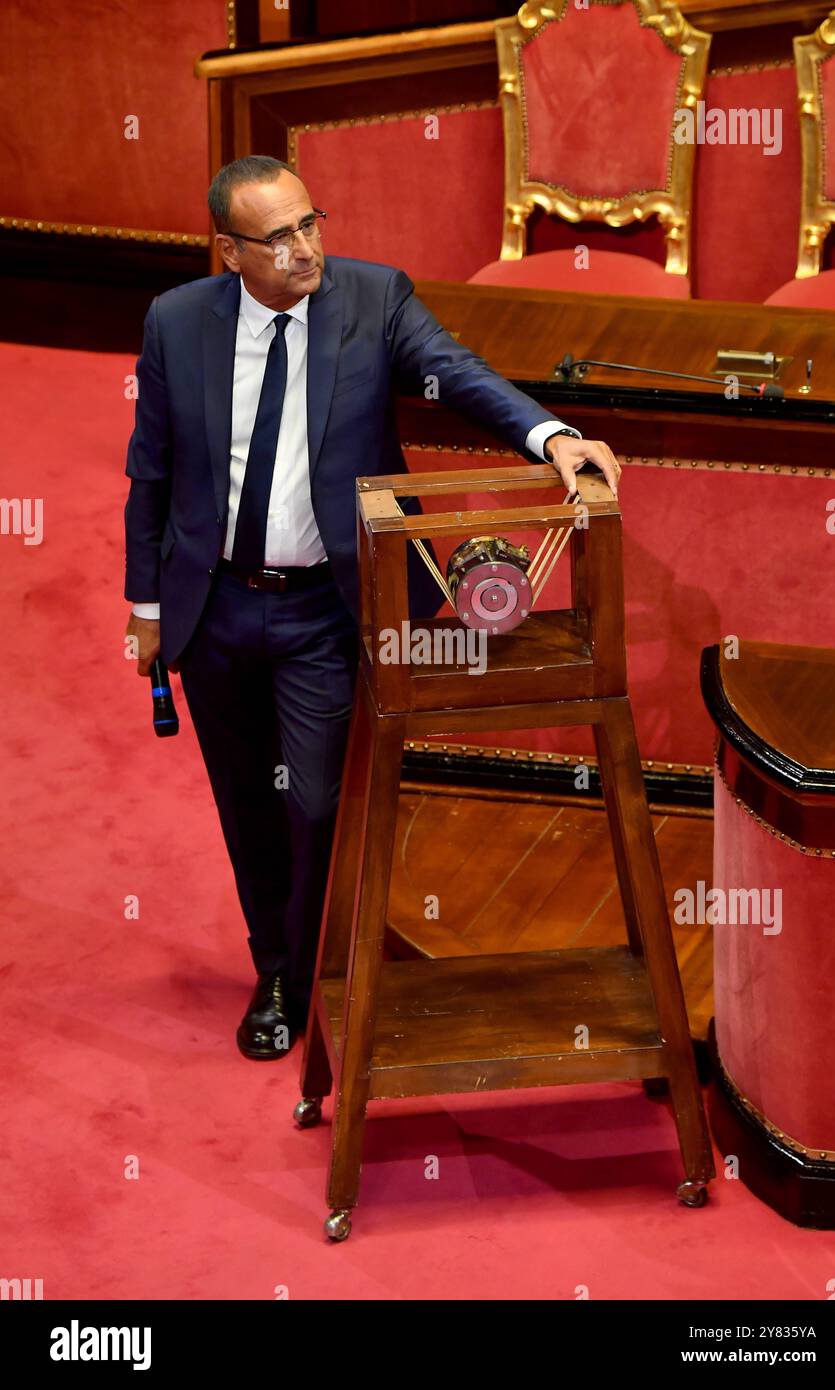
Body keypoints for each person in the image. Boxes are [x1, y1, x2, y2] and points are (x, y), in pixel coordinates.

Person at [123, 155, 621, 1060]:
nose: (305, 248)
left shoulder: (373, 297)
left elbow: (457, 372)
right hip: (215, 604)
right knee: (246, 802)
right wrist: (147, 607)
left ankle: (317, 963)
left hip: (325, 607)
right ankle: (277, 970)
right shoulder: (177, 321)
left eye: (310, 223)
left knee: (315, 803)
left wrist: (550, 435)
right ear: (230, 252)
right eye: (279, 237)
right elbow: (150, 470)